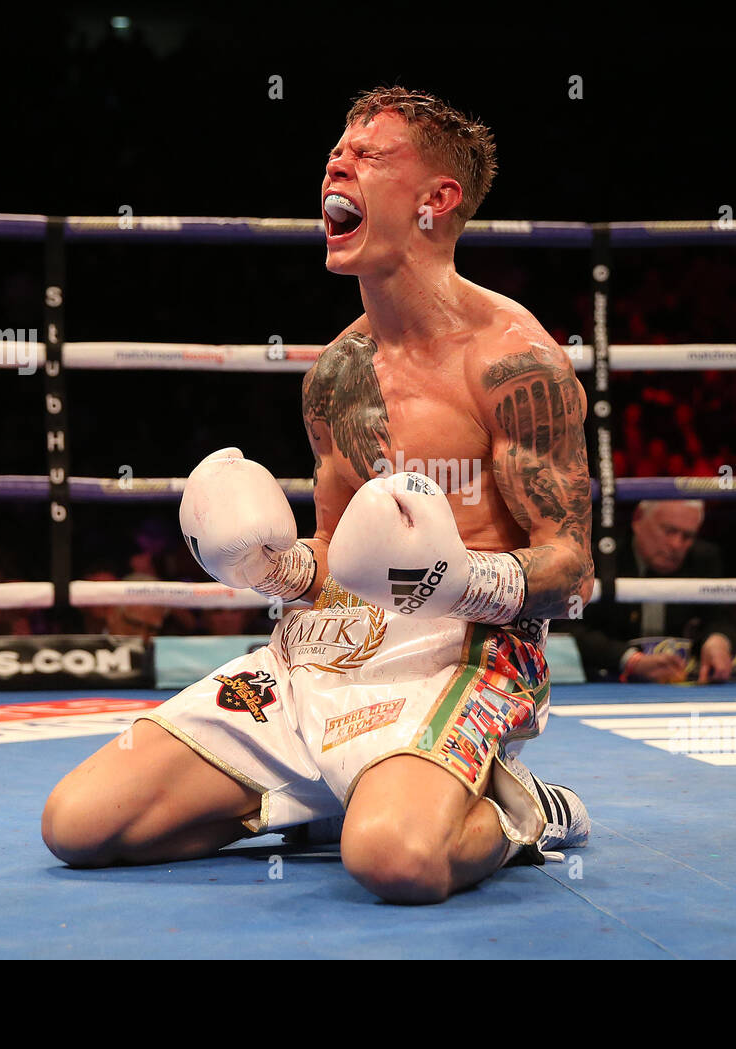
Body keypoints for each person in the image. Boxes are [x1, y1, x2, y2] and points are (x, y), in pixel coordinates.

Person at [41, 87, 592, 904]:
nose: (338, 162)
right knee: (78, 824)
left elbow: (571, 566)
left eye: (370, 155)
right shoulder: (336, 375)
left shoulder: (515, 363)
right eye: (338, 149)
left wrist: (464, 579)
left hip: (464, 653)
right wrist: (274, 566)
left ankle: (523, 811)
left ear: (437, 201)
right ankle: (326, 795)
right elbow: (341, 560)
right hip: (322, 653)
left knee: (396, 862)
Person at [563, 500, 736, 683]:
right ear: (638, 520)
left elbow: (721, 618)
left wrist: (719, 641)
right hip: (603, 683)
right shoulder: (600, 560)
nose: (676, 544)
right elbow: (569, 627)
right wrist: (629, 660)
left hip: (681, 685)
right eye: (669, 531)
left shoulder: (703, 559)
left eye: (687, 536)